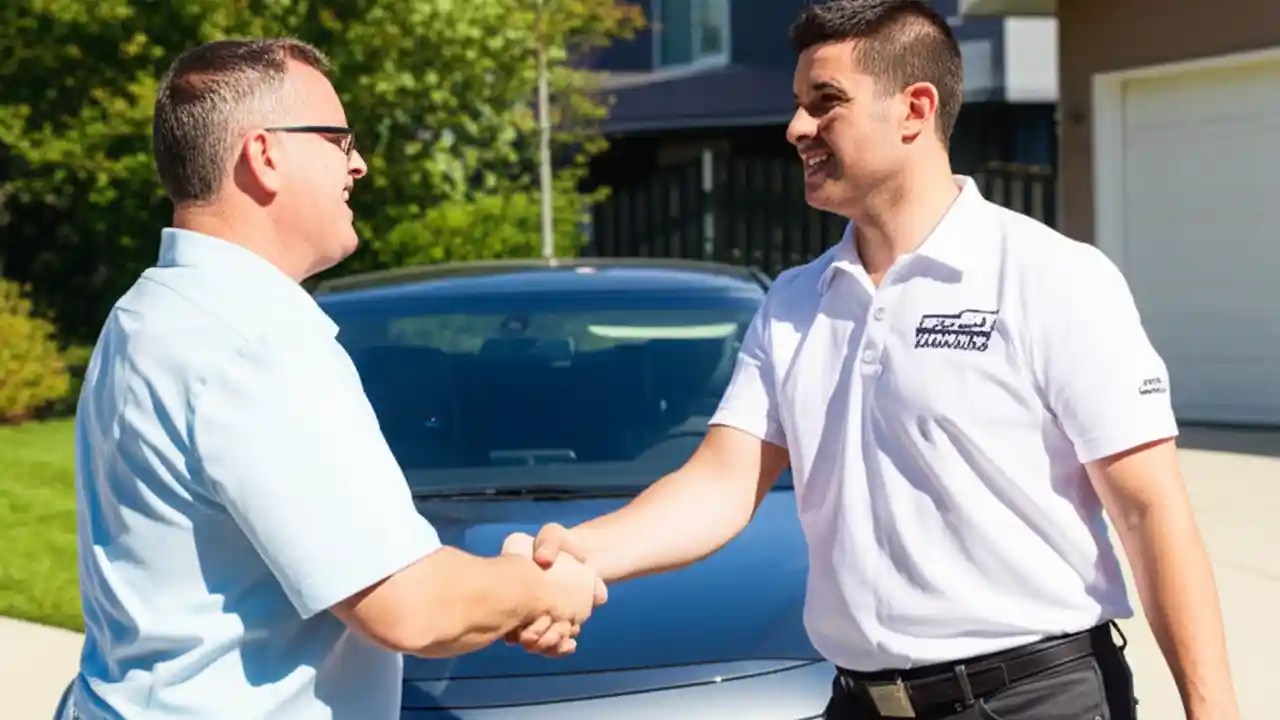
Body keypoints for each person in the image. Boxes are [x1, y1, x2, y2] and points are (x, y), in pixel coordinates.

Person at [502, 2, 1242, 718]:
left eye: (826, 102)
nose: (797, 128)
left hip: (1033, 699)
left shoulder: (1052, 277)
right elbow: (720, 487)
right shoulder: (796, 300)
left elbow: (1150, 512)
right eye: (798, 102)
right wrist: (583, 550)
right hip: (859, 700)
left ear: (915, 109)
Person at [65, 38, 603, 720]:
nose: (359, 164)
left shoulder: (148, 311)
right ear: (264, 155)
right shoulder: (255, 341)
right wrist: (544, 589)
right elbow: (412, 607)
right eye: (338, 140)